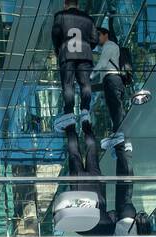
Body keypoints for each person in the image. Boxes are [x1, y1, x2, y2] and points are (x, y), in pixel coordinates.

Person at [51, 0, 96, 128]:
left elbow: (55, 35)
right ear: (78, 5)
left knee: (68, 84)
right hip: (85, 56)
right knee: (85, 84)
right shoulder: (88, 19)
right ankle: (85, 111)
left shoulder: (60, 16)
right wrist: (87, 47)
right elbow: (95, 39)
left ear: (65, 5)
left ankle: (69, 113)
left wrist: (58, 49)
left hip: (67, 55)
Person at [94, 26, 128, 149]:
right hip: (114, 80)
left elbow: (102, 63)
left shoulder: (109, 46)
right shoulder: (110, 46)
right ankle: (120, 139)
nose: (97, 38)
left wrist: (90, 75)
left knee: (116, 108)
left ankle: (119, 135)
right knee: (116, 108)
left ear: (105, 35)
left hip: (112, 79)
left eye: (98, 35)